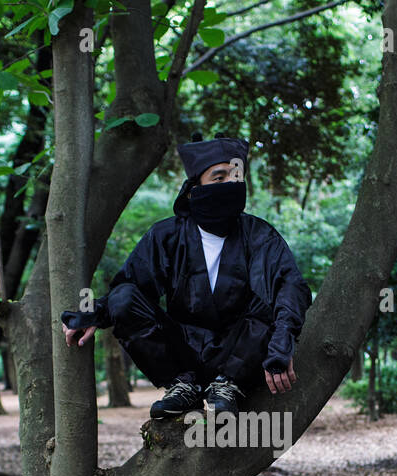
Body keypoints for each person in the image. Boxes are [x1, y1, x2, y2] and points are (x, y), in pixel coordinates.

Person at [60, 135, 312, 420]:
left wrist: (281, 348)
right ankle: (183, 386)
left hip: (241, 352)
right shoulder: (166, 235)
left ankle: (227, 386)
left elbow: (291, 288)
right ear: (195, 189)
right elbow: (131, 289)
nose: (230, 183)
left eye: (236, 175)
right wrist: (93, 315)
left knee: (273, 297)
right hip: (183, 349)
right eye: (219, 177)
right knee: (122, 297)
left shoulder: (260, 235)